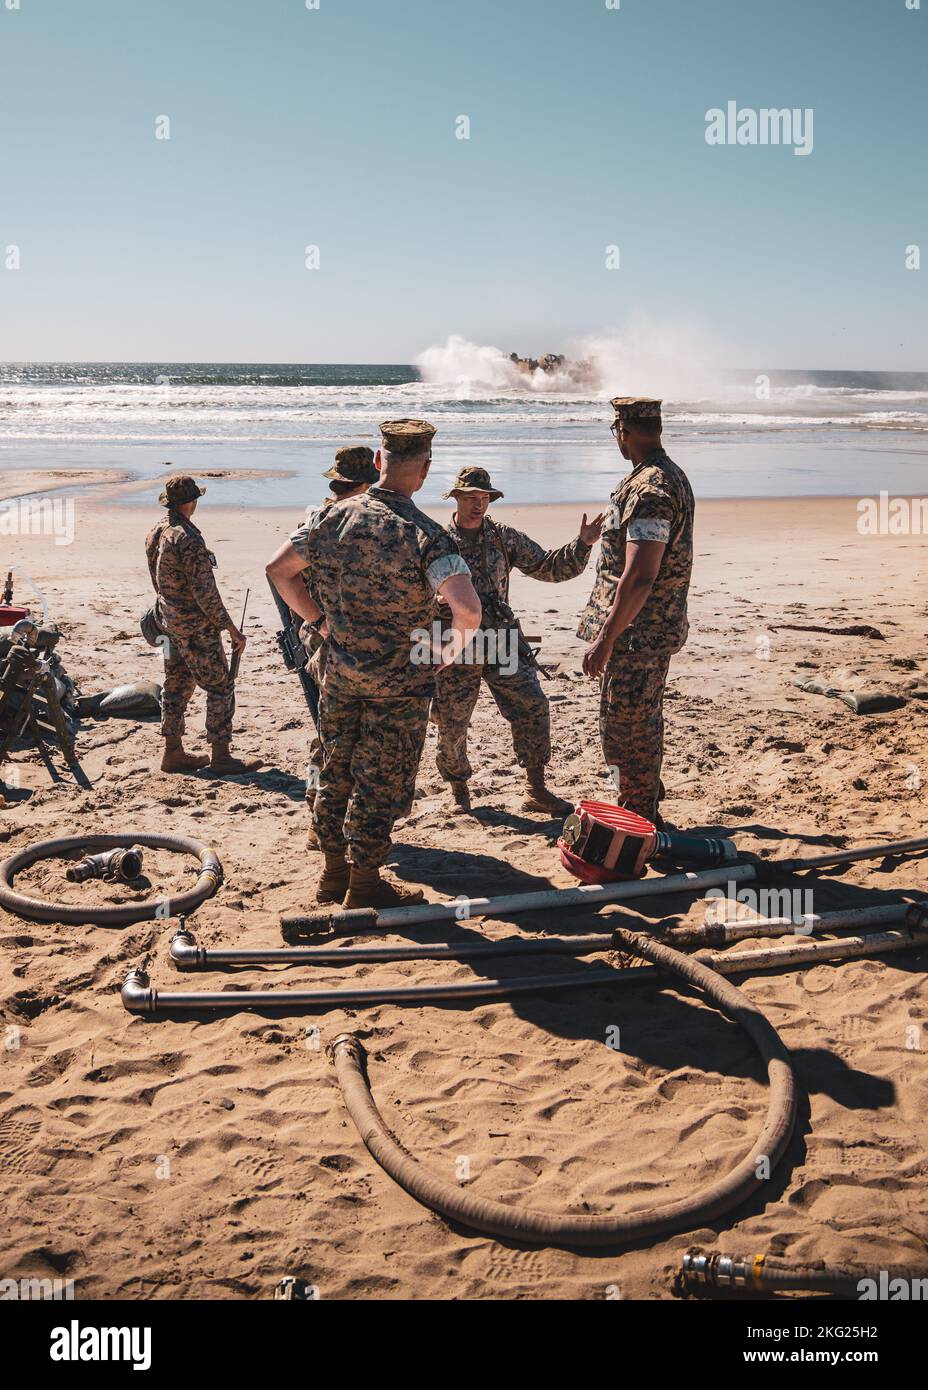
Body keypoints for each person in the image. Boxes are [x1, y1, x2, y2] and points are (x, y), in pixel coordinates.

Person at [282, 419, 482, 908]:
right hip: (400, 682)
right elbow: (469, 609)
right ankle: (365, 884)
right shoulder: (427, 534)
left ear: (377, 462)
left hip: (340, 674)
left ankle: (332, 877)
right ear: (427, 470)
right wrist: (444, 653)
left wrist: (320, 623)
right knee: (381, 779)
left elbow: (278, 570)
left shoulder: (330, 519)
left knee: (336, 770)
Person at [433, 466, 603, 813]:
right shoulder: (436, 541)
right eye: (470, 498)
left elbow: (547, 566)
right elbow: (411, 588)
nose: (478, 505)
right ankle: (459, 787)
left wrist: (582, 544)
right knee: (452, 722)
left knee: (532, 706)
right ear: (456, 498)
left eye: (484, 498)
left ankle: (535, 787)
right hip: (453, 645)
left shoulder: (502, 536)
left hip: (500, 642)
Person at [578, 398, 694, 825]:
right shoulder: (662, 478)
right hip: (640, 629)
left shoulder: (652, 490)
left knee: (629, 729)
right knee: (633, 721)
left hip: (637, 633)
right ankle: (641, 801)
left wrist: (605, 639)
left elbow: (641, 574)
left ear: (623, 432)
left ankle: (642, 817)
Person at [266, 446, 380, 848]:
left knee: (329, 736)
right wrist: (317, 621)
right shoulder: (326, 522)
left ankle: (323, 810)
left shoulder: (323, 519)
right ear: (366, 484)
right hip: (328, 649)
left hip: (326, 644)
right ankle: (320, 814)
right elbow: (278, 572)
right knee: (329, 738)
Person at [145, 474, 258, 775]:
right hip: (194, 625)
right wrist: (231, 628)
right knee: (220, 684)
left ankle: (173, 751)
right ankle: (220, 755)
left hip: (167, 619)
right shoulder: (188, 538)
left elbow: (155, 576)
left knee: (176, 684)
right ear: (191, 502)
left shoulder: (158, 530)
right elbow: (205, 593)